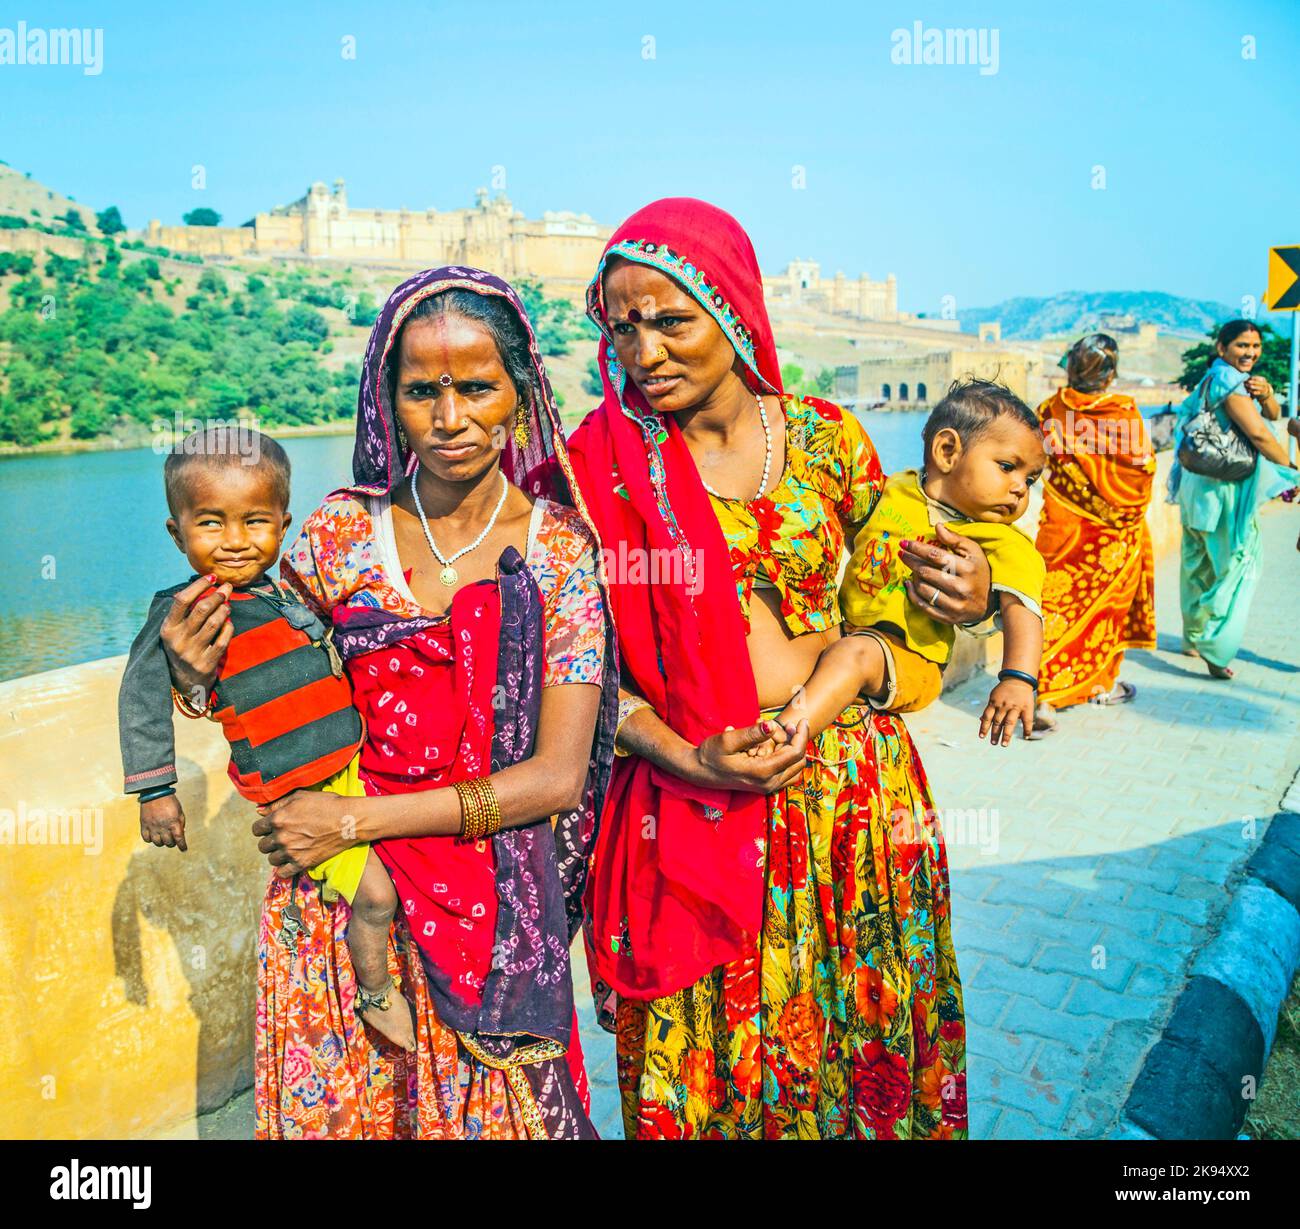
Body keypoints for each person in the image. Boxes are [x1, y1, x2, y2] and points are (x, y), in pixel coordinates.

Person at [159, 267, 617, 1139]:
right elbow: (259, 678)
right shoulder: (337, 533)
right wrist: (187, 673)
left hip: (487, 905)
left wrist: (357, 822)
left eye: (478, 388)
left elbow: (558, 777)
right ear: (388, 399)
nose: (449, 420)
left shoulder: (558, 550)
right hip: (333, 908)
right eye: (421, 392)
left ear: (520, 394)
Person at [567, 198, 990, 1139]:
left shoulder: (833, 443)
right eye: (623, 326)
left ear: (733, 308)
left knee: (858, 1052)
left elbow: (907, 618)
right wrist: (687, 757)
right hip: (692, 812)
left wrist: (973, 589)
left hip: (855, 813)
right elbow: (578, 671)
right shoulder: (597, 472)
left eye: (672, 320)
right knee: (712, 1078)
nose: (646, 352)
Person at [117, 428, 410, 1049]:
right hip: (295, 789)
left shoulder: (285, 592)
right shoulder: (183, 611)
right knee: (378, 898)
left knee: (401, 875)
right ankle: (379, 995)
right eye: (211, 524)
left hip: (355, 767)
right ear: (177, 534)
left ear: (283, 524)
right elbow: (141, 699)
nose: (234, 542)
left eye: (254, 522)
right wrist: (154, 791)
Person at [781, 378, 1046, 748]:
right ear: (947, 450)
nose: (1021, 488)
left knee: (851, 655)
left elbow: (1024, 608)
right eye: (1007, 467)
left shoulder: (1003, 541)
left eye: (1030, 479)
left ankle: (784, 737)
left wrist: (1018, 679)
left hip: (911, 659)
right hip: (854, 633)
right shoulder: (898, 489)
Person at [1031, 334, 1156, 734]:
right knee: (1105, 611)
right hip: (1112, 539)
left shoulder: (1050, 409)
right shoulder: (1124, 412)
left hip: (1061, 531)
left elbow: (1033, 460)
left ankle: (1046, 697)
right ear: (1111, 372)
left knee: (1053, 611)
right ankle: (1101, 685)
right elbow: (1142, 469)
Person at [1171, 319, 1299, 679]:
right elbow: (1260, 434)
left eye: (1255, 346)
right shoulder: (1229, 381)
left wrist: (1268, 394)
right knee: (1239, 565)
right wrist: (1291, 470)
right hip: (1223, 491)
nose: (1251, 353)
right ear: (1222, 348)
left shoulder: (1216, 378)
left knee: (1197, 565)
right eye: (1242, 345)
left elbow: (1272, 415)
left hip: (1197, 485)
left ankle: (1193, 638)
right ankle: (1217, 647)